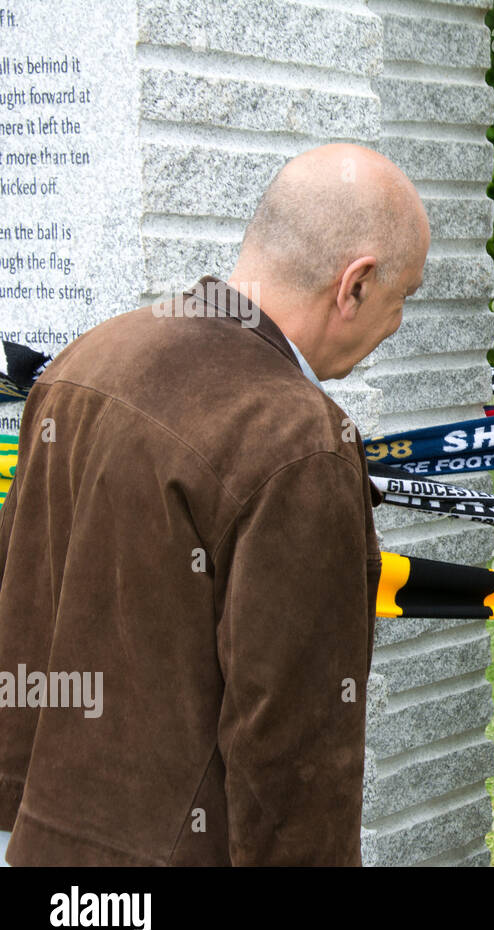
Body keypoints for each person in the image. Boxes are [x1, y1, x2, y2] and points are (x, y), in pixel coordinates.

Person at [0, 144, 430, 865]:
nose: (394, 326)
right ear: (353, 285)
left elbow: (17, 605)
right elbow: (294, 742)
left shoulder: (86, 360)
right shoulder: (299, 442)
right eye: (402, 299)